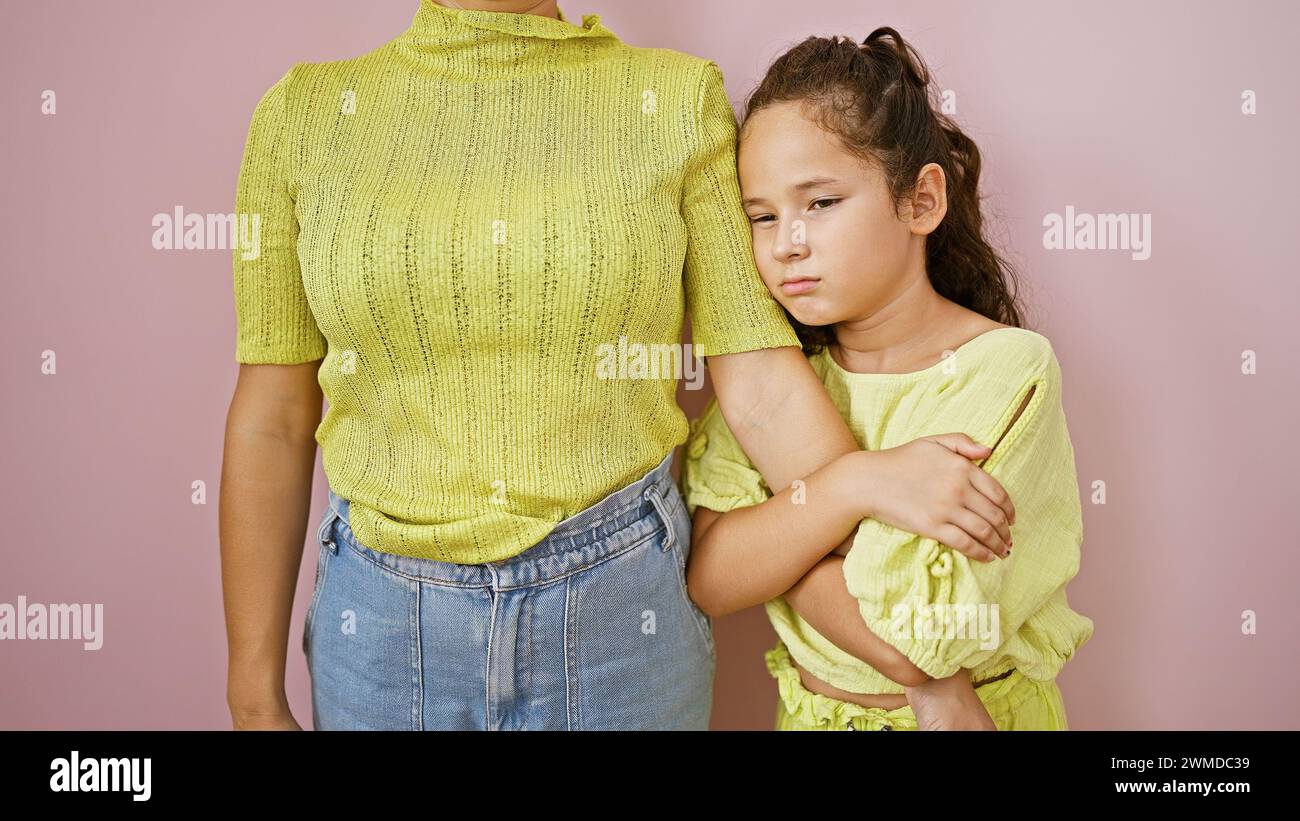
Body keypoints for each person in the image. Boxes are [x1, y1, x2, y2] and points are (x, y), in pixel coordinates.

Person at [220, 1, 1016, 731]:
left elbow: (761, 385)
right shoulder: (302, 117)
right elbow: (273, 418)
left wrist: (915, 660)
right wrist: (253, 694)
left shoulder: (673, 101)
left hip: (621, 623)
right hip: (381, 632)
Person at [681, 27, 1094, 730]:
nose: (787, 243)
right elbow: (712, 578)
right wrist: (858, 483)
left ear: (920, 201)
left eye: (821, 203)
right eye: (762, 216)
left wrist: (789, 534)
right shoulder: (781, 380)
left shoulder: (1007, 371)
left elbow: (923, 634)